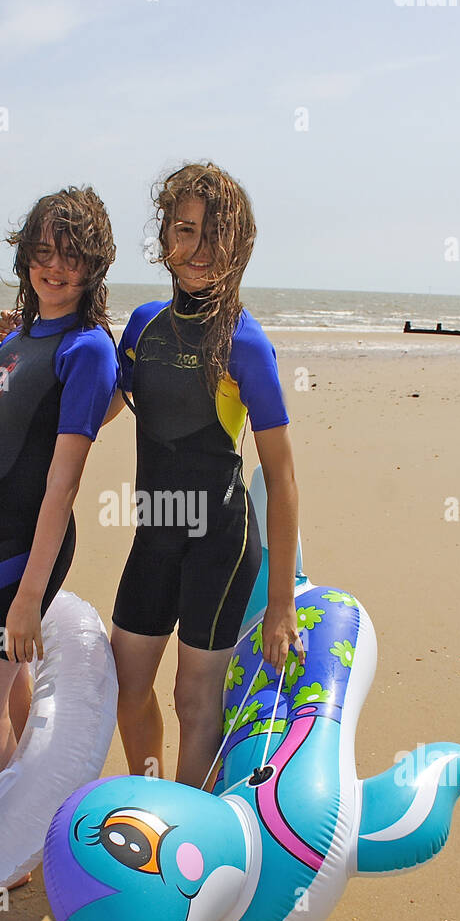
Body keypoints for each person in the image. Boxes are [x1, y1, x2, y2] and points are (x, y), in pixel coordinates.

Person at [109, 163, 300, 789]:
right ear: (165, 236)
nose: (196, 250)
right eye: (184, 231)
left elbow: (282, 476)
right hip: (154, 535)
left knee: (195, 700)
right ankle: (148, 798)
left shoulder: (245, 344)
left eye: (214, 235)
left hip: (220, 542)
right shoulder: (143, 327)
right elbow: (99, 407)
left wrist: (280, 606)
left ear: (238, 246)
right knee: (128, 686)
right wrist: (31, 342)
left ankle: (183, 836)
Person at [0, 186, 118, 802]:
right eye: (43, 250)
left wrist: (29, 598)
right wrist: (15, 336)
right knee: (8, 693)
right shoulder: (21, 335)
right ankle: (37, 825)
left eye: (71, 254)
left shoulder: (86, 348)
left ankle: (4, 858)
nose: (54, 265)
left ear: (94, 264)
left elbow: (65, 480)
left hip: (25, 542)